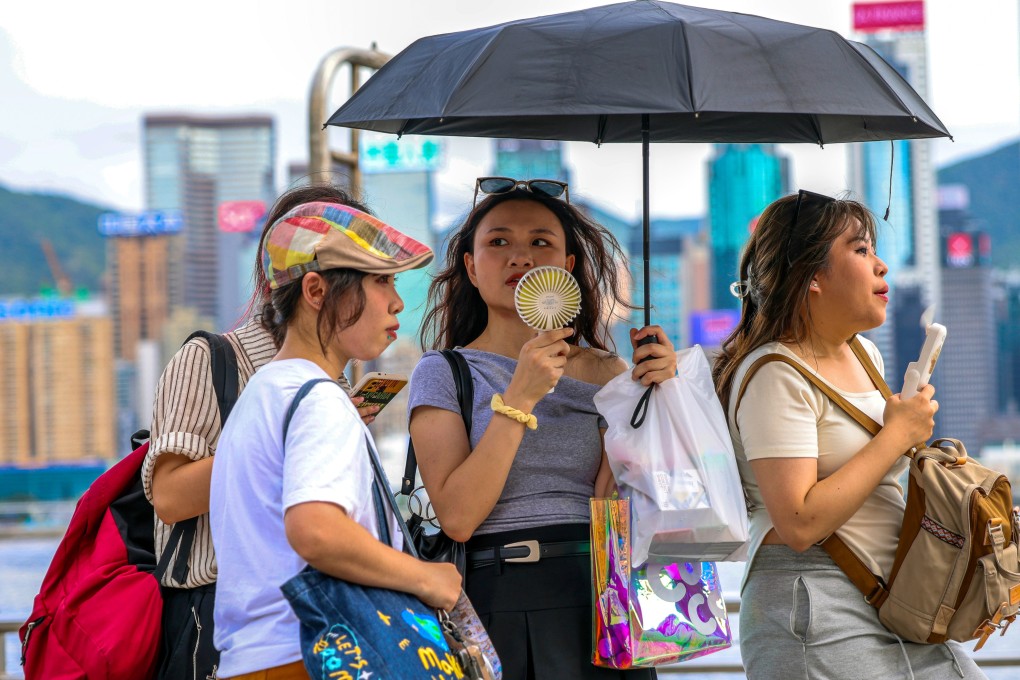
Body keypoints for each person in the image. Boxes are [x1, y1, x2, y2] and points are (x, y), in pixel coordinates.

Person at [407, 178, 678, 679]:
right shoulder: (444, 372)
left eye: (540, 242)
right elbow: (459, 518)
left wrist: (655, 399)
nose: (520, 257)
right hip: (503, 597)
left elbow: (622, 499)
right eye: (498, 242)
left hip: (606, 596)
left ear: (568, 266)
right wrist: (520, 397)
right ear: (470, 265)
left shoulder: (608, 372)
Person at [712, 190, 984, 679]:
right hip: (814, 604)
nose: (881, 266)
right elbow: (797, 522)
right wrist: (896, 436)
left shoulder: (864, 355)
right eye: (860, 251)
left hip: (893, 595)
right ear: (813, 276)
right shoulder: (776, 372)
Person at [208, 199, 462, 680]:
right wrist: (427, 577)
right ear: (317, 290)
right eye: (380, 280)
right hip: (316, 654)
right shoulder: (320, 399)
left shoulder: (264, 392)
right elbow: (317, 531)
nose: (397, 302)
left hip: (257, 658)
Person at [142, 184, 383, 680]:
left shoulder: (328, 381)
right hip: (216, 613)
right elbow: (167, 496)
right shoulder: (210, 358)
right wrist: (279, 437)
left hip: (314, 611)